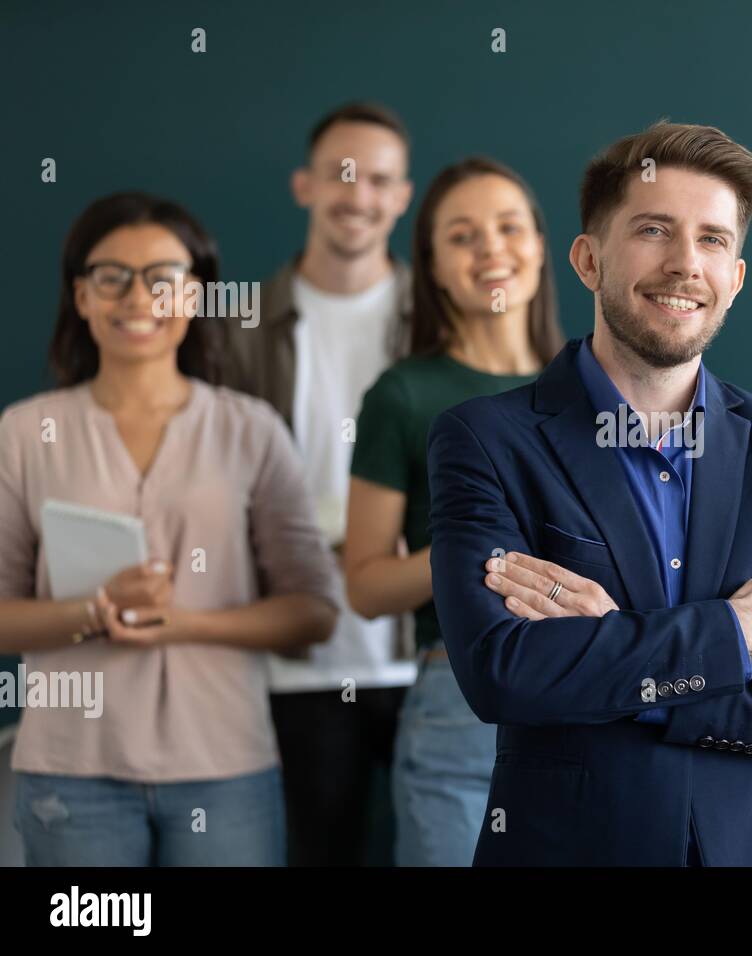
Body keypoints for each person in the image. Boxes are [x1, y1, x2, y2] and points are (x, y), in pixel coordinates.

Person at [426, 121, 752, 866]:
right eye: (653, 230)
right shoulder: (483, 440)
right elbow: (506, 674)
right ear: (587, 259)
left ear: (735, 277)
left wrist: (623, 654)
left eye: (713, 240)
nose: (685, 264)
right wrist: (733, 635)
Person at [0, 193, 338, 866]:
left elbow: (314, 611)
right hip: (71, 771)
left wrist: (185, 624)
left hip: (224, 763)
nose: (137, 296)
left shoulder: (250, 429)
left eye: (163, 277)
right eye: (111, 276)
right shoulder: (25, 433)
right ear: (82, 295)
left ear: (197, 295)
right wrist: (93, 612)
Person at [344, 156, 565, 866]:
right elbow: (366, 585)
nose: (491, 249)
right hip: (461, 693)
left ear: (541, 244)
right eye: (463, 236)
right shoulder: (404, 395)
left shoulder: (603, 382)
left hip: (600, 683)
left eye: (509, 228)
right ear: (433, 268)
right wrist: (480, 552)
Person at [223, 102, 417, 866]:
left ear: (402, 196)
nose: (358, 194)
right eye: (341, 174)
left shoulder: (437, 321)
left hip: (427, 653)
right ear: (304, 185)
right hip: (289, 660)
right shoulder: (235, 329)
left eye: (379, 179)